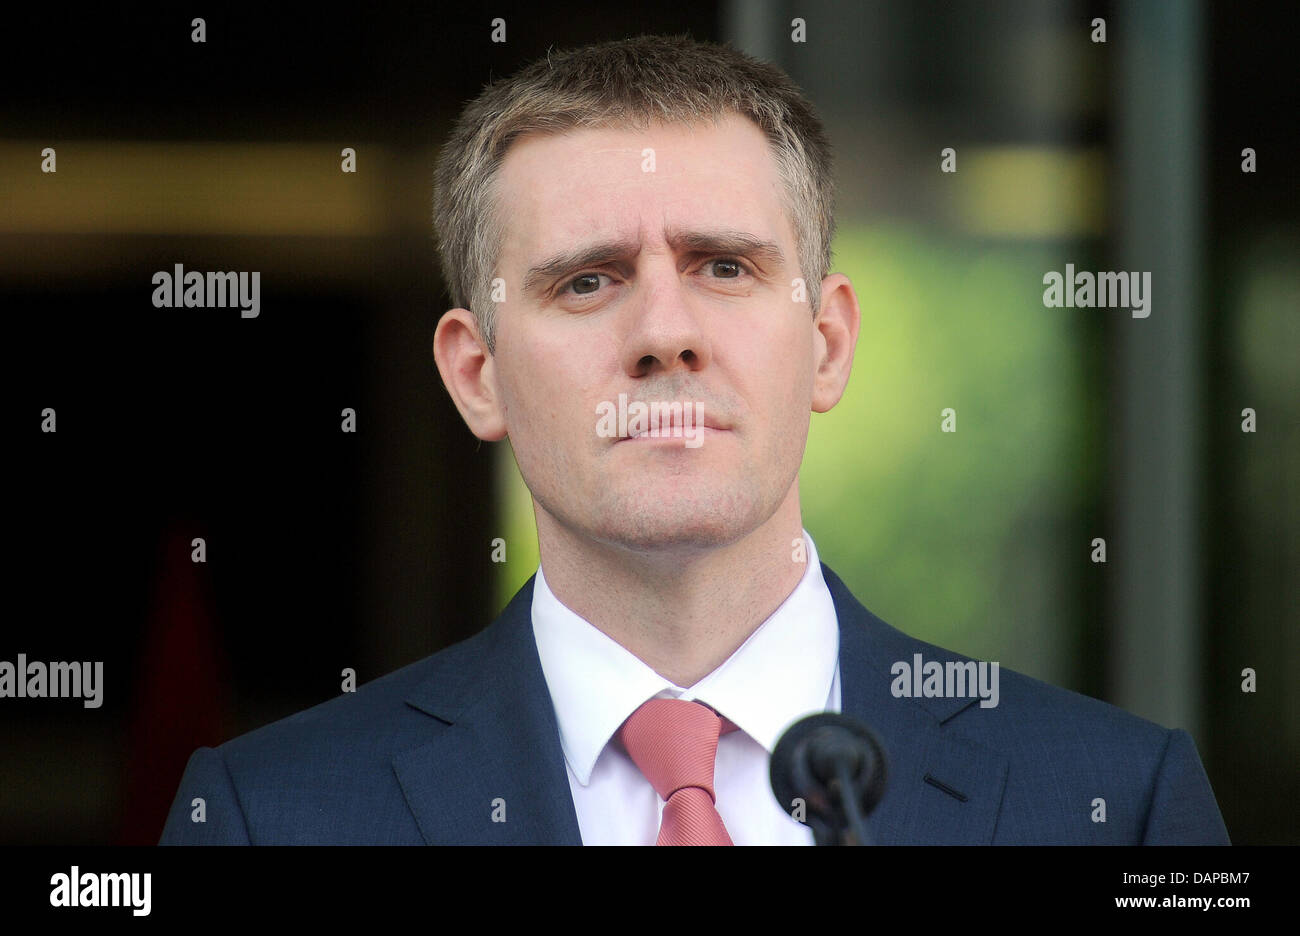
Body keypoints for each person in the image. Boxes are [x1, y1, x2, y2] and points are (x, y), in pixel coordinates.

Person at [160, 34, 1229, 846]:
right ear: (475, 375)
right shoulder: (271, 818)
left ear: (826, 343)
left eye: (725, 266)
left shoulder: (1113, 804)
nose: (665, 333)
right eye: (587, 281)